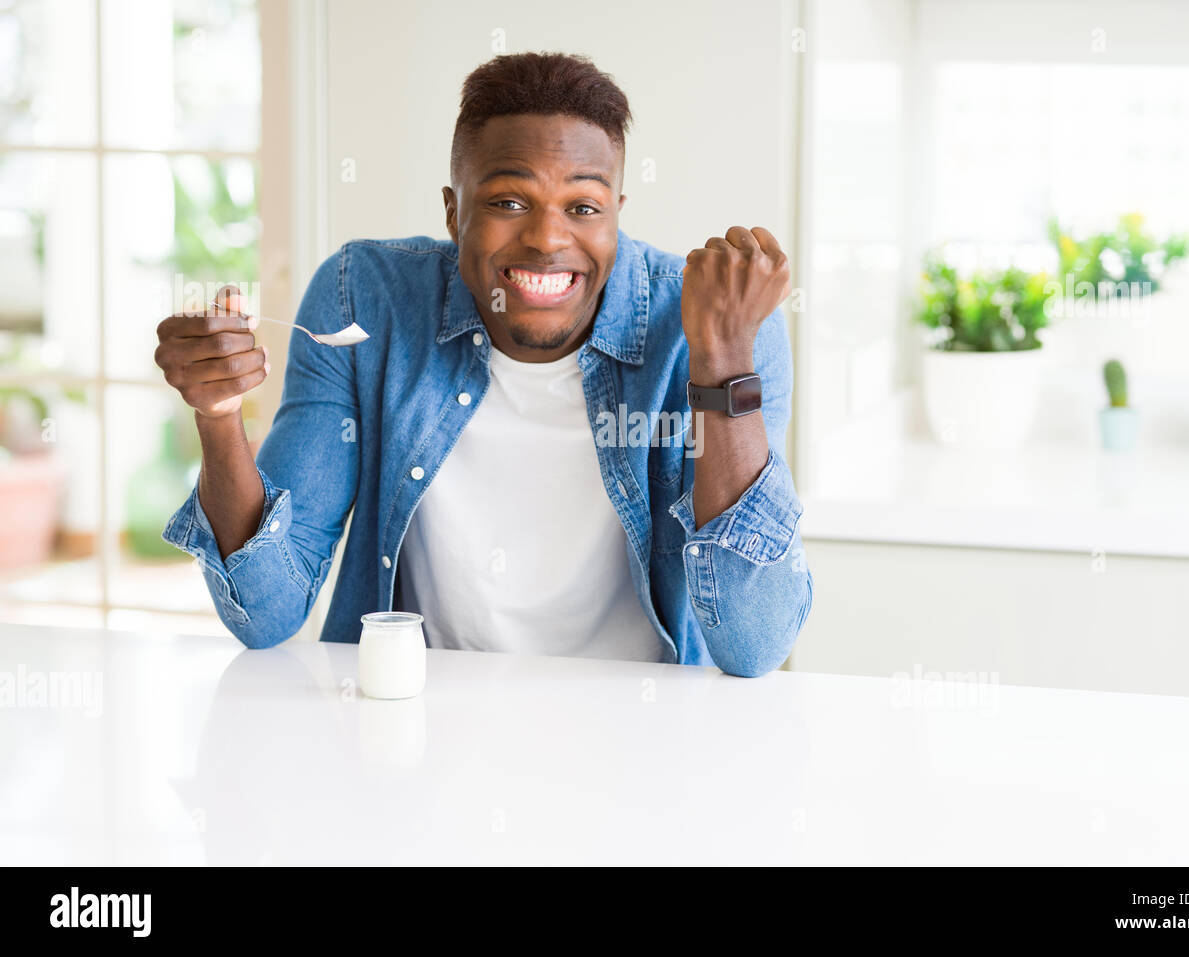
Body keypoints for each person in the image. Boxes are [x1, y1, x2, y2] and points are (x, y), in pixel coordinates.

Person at [155, 52, 812, 677]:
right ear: (452, 211)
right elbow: (264, 612)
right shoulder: (366, 300)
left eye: (583, 207)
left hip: (635, 737)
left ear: (615, 215)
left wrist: (722, 361)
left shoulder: (718, 324)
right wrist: (218, 418)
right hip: (415, 726)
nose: (549, 239)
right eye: (508, 202)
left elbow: (753, 642)